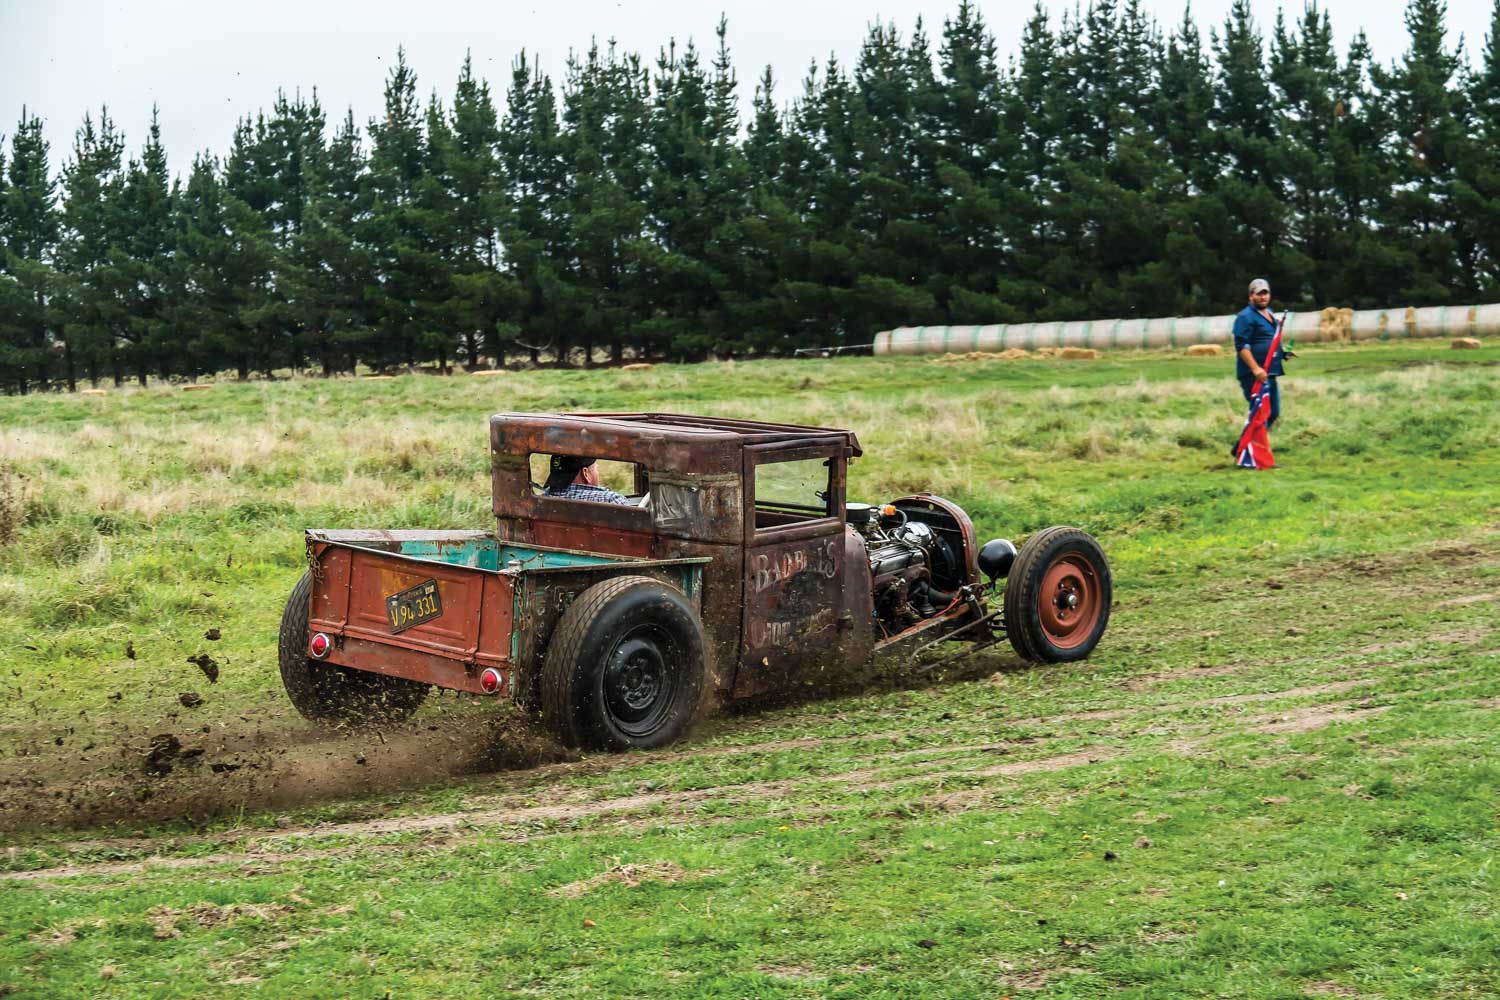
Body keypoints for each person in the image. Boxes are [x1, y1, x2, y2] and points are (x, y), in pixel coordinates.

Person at [1233, 277, 1285, 438]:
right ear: (1251, 296)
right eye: (1259, 294)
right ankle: (1251, 452)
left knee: (1272, 412)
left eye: (1266, 293)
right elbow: (1242, 346)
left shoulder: (1268, 312)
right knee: (1260, 415)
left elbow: (1270, 338)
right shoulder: (1245, 316)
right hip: (1254, 375)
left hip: (1270, 372)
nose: (1263, 297)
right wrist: (1255, 369)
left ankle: (1247, 446)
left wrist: (1283, 353)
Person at [541, 455, 632, 505]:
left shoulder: (541, 501)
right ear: (585, 474)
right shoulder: (611, 500)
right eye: (596, 469)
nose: (597, 473)